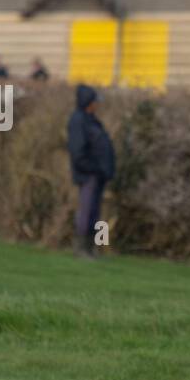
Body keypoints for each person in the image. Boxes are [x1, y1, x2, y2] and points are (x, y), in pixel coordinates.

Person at [67, 84, 115, 259]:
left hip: (97, 174)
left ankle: (90, 248)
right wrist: (92, 168)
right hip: (88, 174)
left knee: (95, 211)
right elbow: (78, 150)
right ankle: (81, 249)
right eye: (95, 101)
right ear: (88, 102)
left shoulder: (91, 119)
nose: (97, 105)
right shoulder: (79, 120)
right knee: (86, 211)